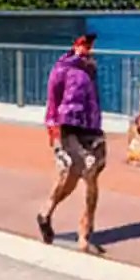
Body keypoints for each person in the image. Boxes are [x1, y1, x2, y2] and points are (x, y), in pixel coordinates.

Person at [38, 33, 106, 254]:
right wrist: (52, 130)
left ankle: (85, 233)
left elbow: (94, 100)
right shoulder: (61, 69)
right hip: (68, 129)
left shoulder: (91, 69)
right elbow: (52, 100)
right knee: (69, 178)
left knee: (91, 177)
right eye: (84, 44)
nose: (88, 49)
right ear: (75, 46)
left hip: (91, 129)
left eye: (90, 45)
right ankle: (46, 212)